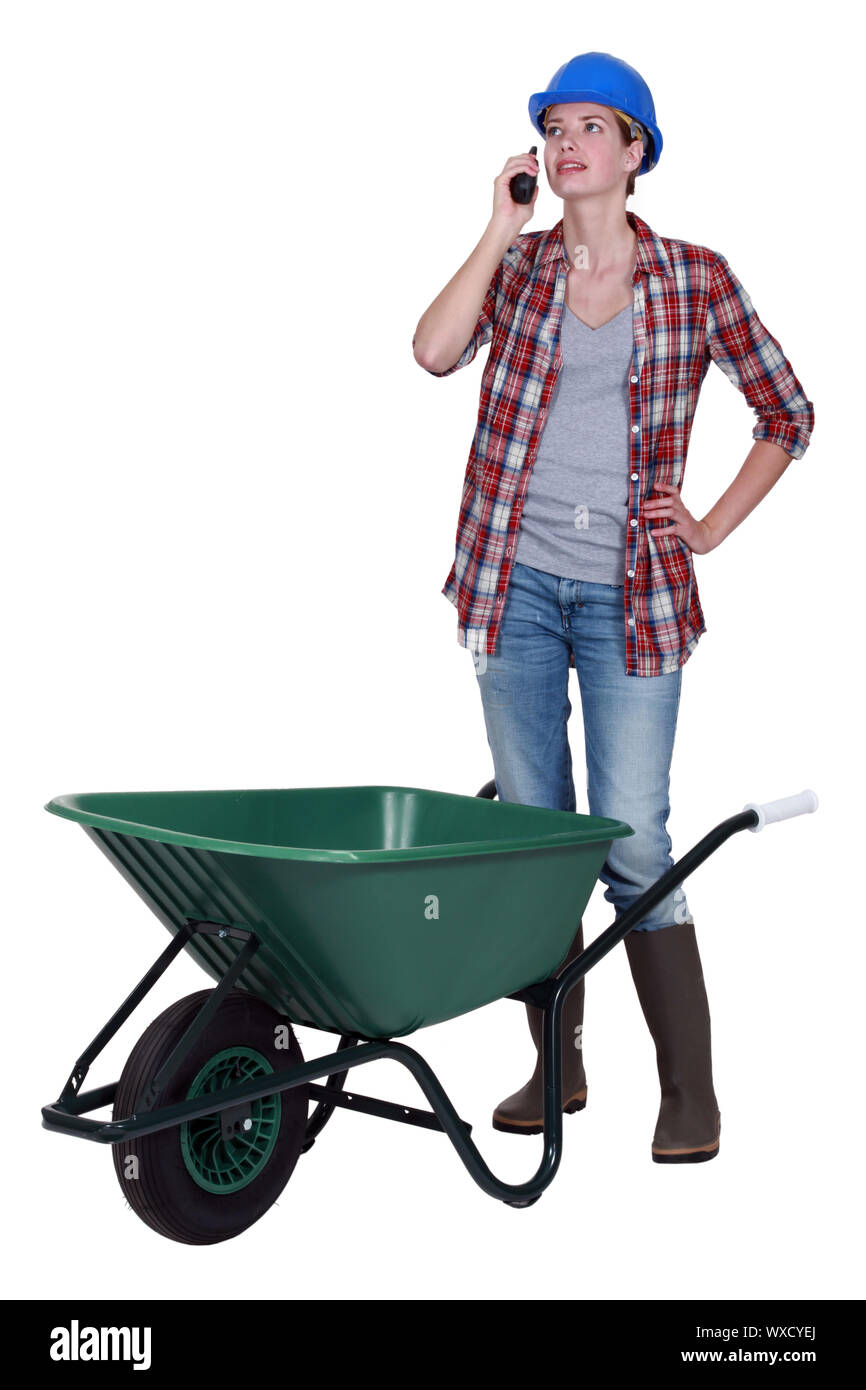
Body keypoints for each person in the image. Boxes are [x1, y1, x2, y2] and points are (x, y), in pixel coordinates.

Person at [412, 52, 814, 1163]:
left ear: (635, 153)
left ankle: (688, 1088)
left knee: (633, 838)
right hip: (511, 588)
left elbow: (786, 410)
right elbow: (433, 351)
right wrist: (496, 229)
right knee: (540, 840)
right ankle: (558, 1061)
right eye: (553, 126)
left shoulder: (694, 277)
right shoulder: (522, 268)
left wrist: (713, 523)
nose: (566, 143)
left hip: (632, 599)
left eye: (593, 126)